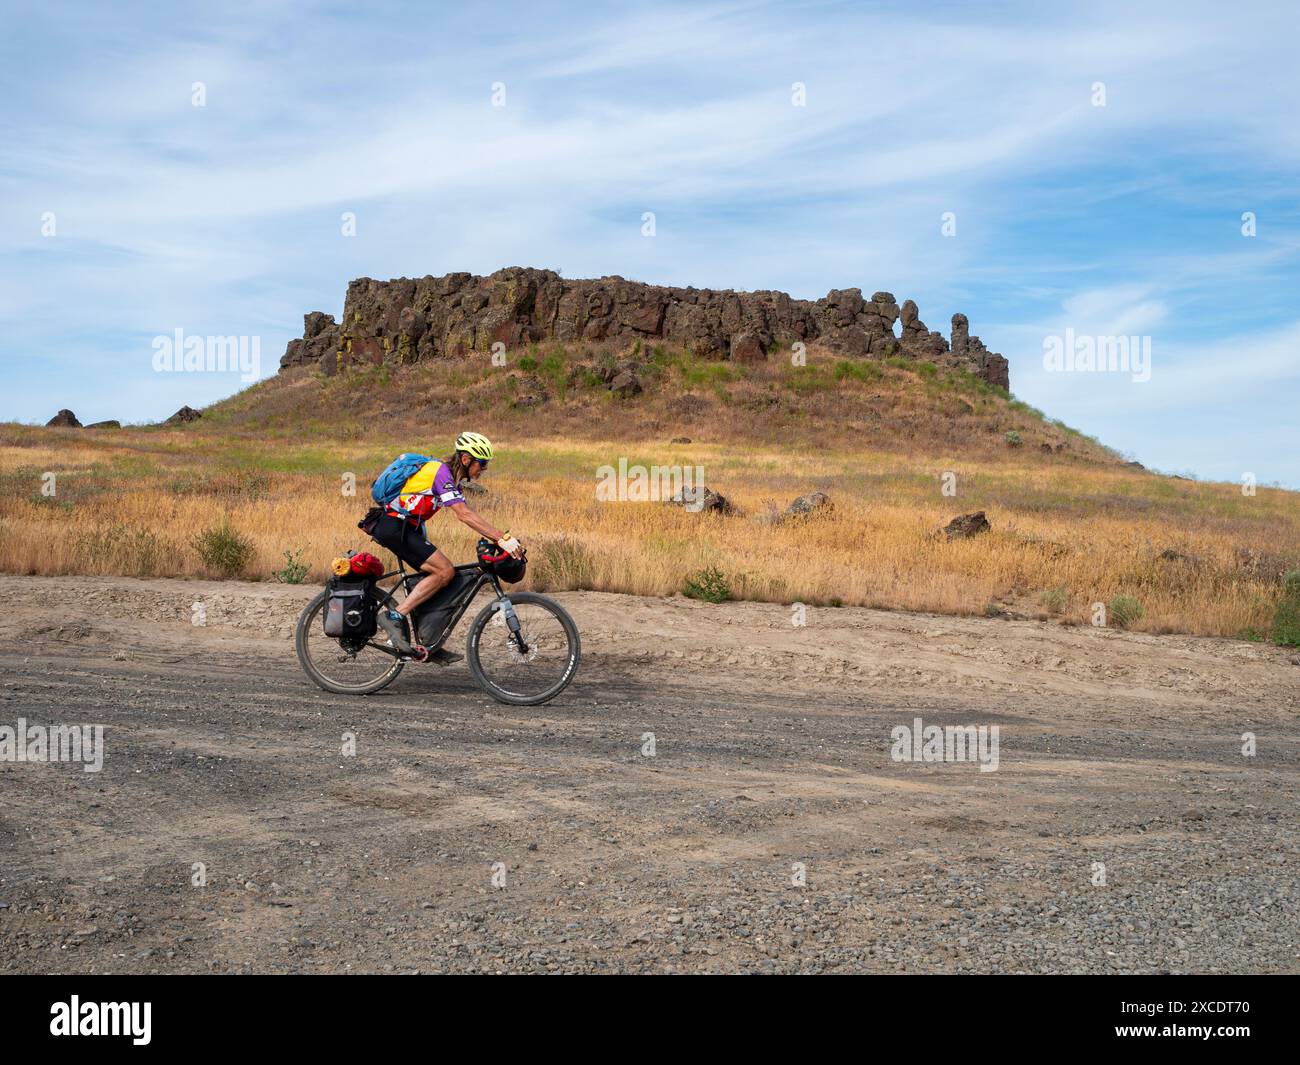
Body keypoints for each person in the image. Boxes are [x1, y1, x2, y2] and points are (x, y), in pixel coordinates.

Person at [368, 432, 522, 660]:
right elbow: (464, 515)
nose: (484, 469)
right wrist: (501, 538)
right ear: (467, 459)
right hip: (393, 526)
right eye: (482, 463)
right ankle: (395, 616)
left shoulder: (451, 482)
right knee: (444, 571)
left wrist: (494, 537)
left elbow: (468, 514)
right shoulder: (440, 473)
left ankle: (428, 640)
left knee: (440, 574)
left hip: (405, 528)